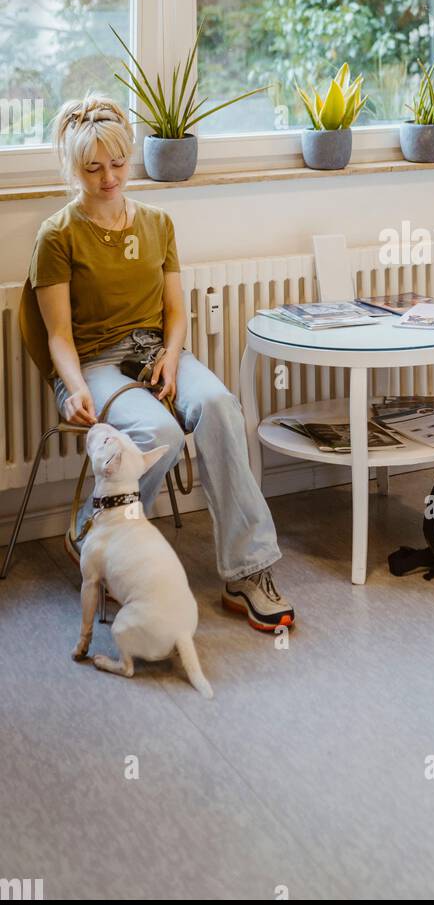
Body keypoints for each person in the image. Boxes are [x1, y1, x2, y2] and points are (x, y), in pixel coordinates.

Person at [23, 95, 295, 632]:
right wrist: (73, 387)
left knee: (220, 405)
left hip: (156, 350)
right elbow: (56, 336)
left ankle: (247, 570)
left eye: (118, 164)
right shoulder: (57, 235)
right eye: (93, 168)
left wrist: (172, 358)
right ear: (73, 168)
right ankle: (97, 536)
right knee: (161, 435)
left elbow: (176, 311)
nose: (108, 178)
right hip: (94, 363)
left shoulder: (158, 223)